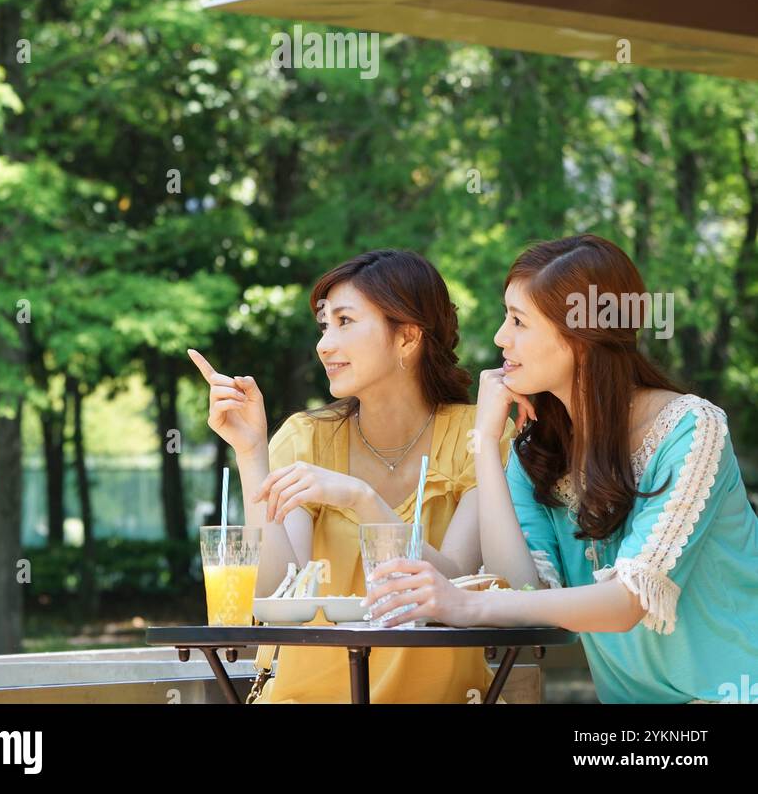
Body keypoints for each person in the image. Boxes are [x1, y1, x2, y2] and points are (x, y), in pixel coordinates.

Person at [363, 234, 758, 704]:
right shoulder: (538, 452)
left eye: (518, 321)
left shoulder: (692, 429)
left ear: (581, 339)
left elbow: (628, 601)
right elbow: (527, 591)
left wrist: (467, 603)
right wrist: (487, 445)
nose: (500, 338)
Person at [189, 248, 519, 703]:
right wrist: (251, 453)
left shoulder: (477, 433)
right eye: (324, 325)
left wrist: (363, 500)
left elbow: (453, 585)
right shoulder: (306, 438)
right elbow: (277, 594)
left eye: (345, 322)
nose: (324, 344)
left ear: (408, 336)